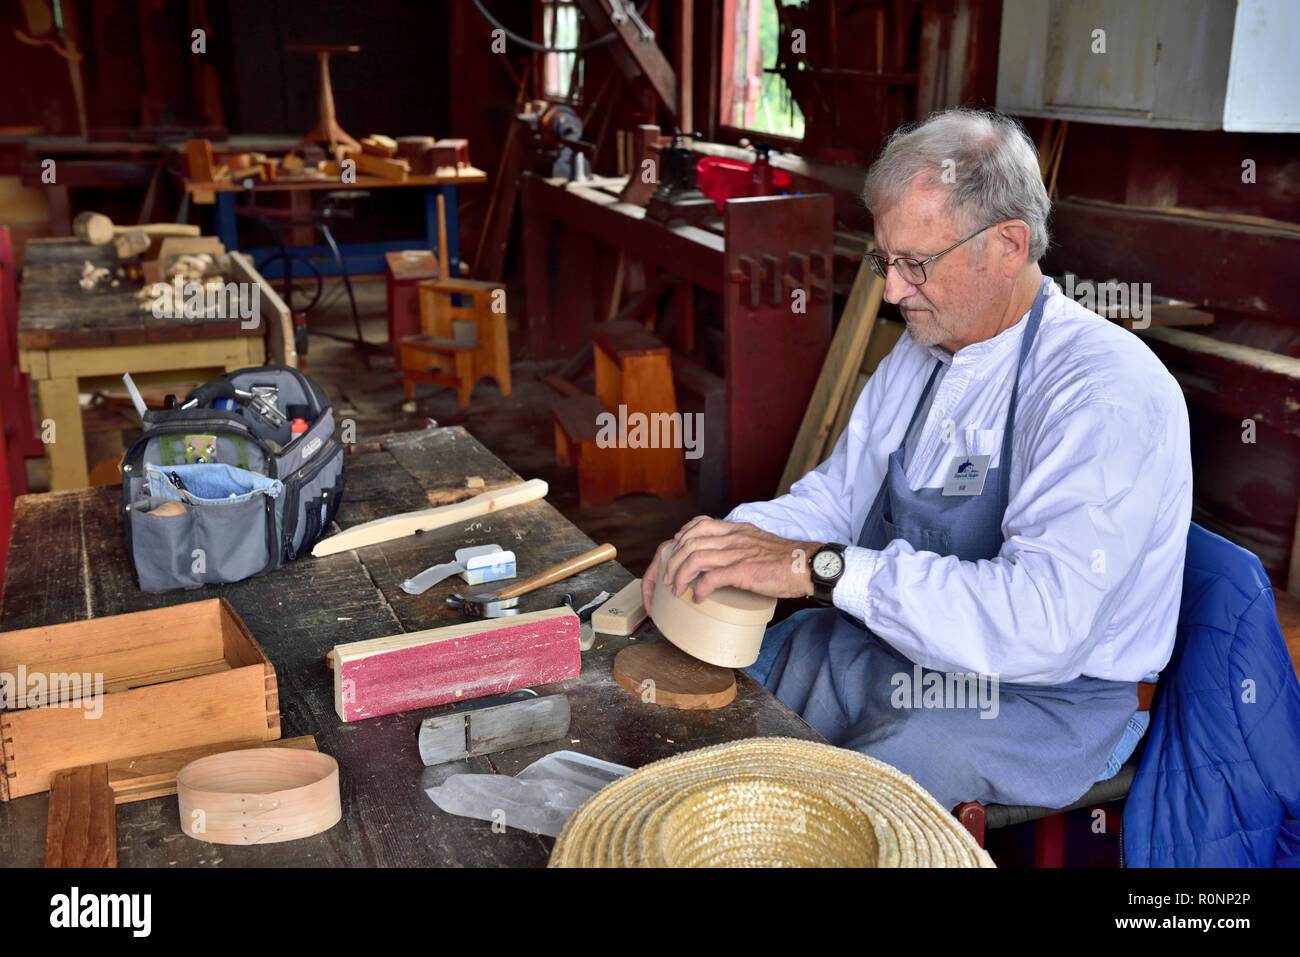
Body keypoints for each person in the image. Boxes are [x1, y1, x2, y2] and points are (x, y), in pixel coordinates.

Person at [642, 108, 1193, 811]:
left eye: (916, 264)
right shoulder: (924, 351)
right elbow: (840, 499)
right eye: (884, 260)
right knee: (726, 707)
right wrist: (727, 541)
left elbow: (1044, 623)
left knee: (839, 811)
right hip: (900, 647)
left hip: (1039, 696)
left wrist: (817, 565)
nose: (893, 290)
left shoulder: (1105, 392)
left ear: (1008, 243)